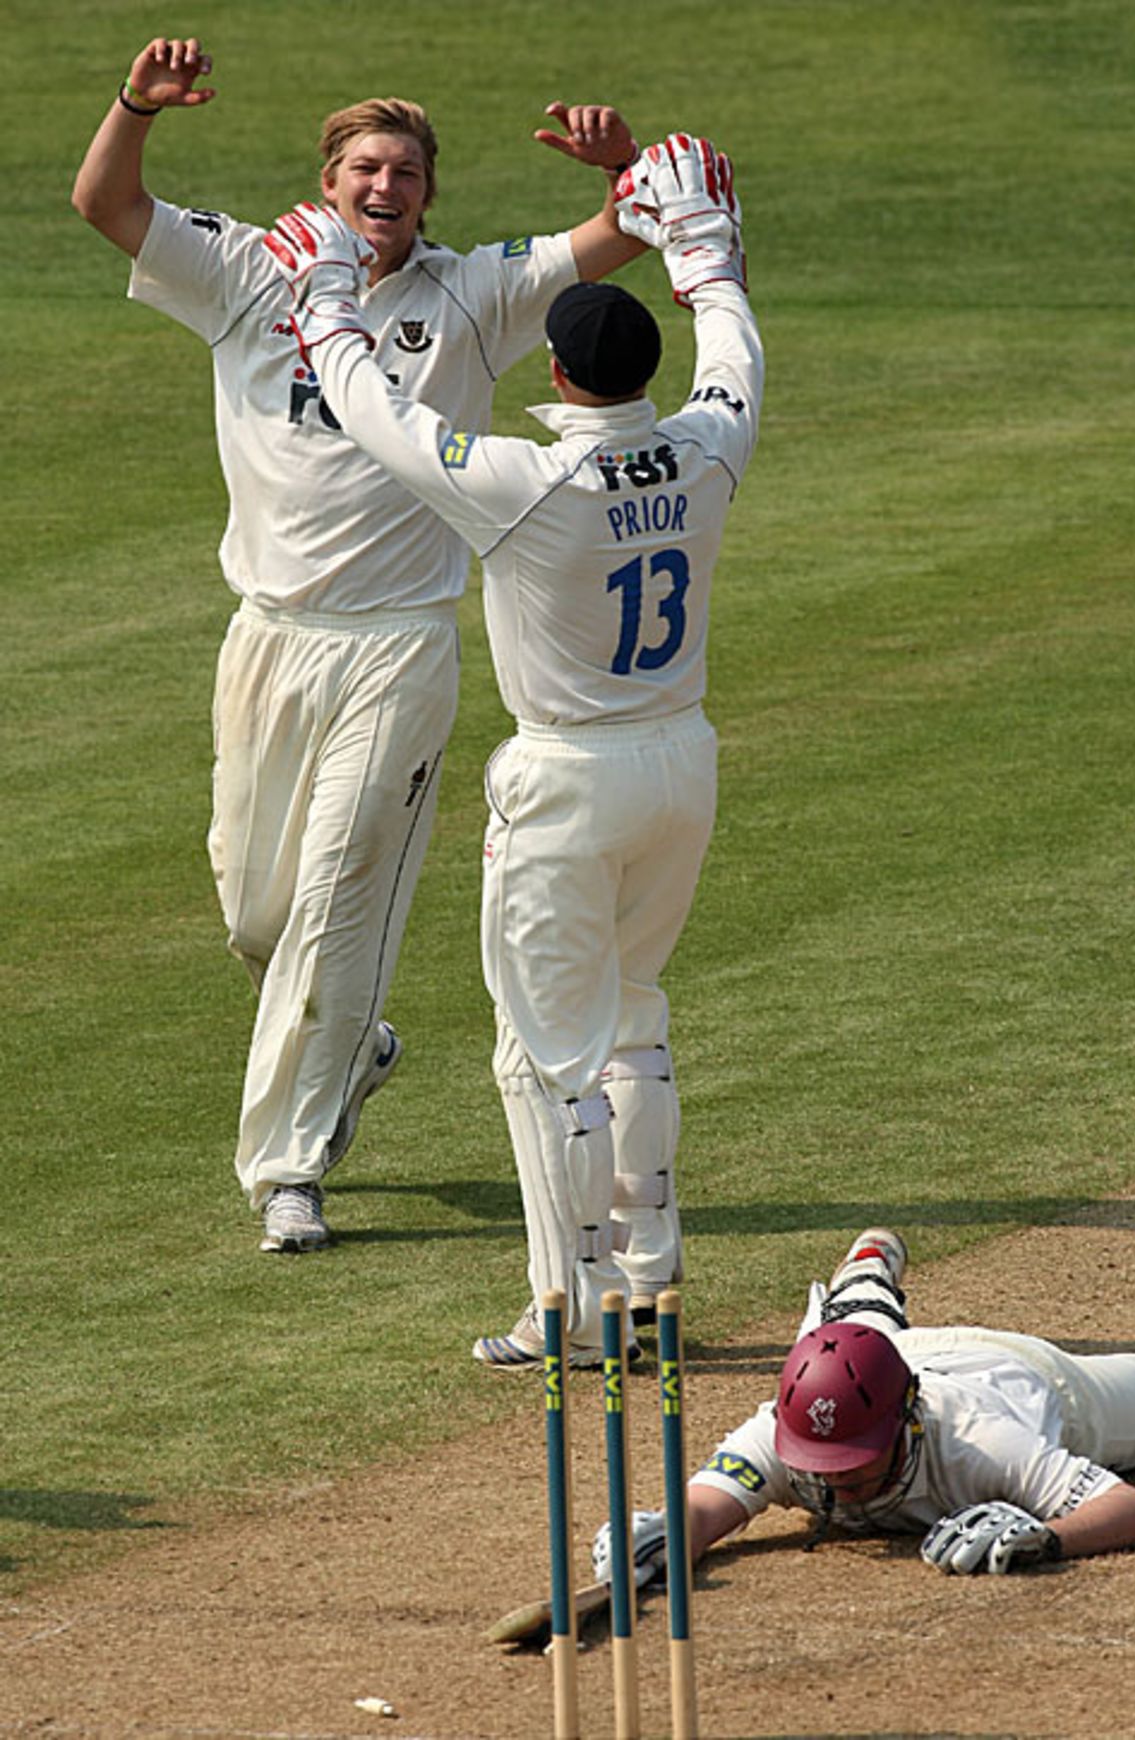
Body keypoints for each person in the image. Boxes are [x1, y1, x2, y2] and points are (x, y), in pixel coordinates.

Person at [71, 36, 647, 1253]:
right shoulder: (247, 270)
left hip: (397, 646)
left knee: (337, 898)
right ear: (328, 181)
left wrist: (620, 167)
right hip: (267, 638)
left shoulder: (471, 294)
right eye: (365, 169)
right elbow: (105, 204)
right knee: (255, 915)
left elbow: (621, 234)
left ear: (429, 194)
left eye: (407, 174)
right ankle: (356, 1042)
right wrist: (136, 106)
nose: (386, 189)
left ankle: (290, 1169)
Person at [261, 134, 762, 1360]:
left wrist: (326, 296)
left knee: (544, 1062)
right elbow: (736, 350)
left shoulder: (523, 481)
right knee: (633, 1021)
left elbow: (376, 413)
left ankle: (581, 1318)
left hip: (566, 786)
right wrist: (702, 250)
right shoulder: (707, 447)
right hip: (680, 769)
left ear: (555, 366)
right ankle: (651, 1285)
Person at [592, 1227, 1135, 1581]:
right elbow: (703, 1510)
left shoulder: (980, 1442)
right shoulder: (784, 1432)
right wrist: (668, 1535)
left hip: (1028, 1379)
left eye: (853, 1458)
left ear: (905, 1424)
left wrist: (1047, 1537)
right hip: (892, 1353)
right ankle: (864, 1274)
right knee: (849, 1330)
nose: (838, 1477)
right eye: (821, 1459)